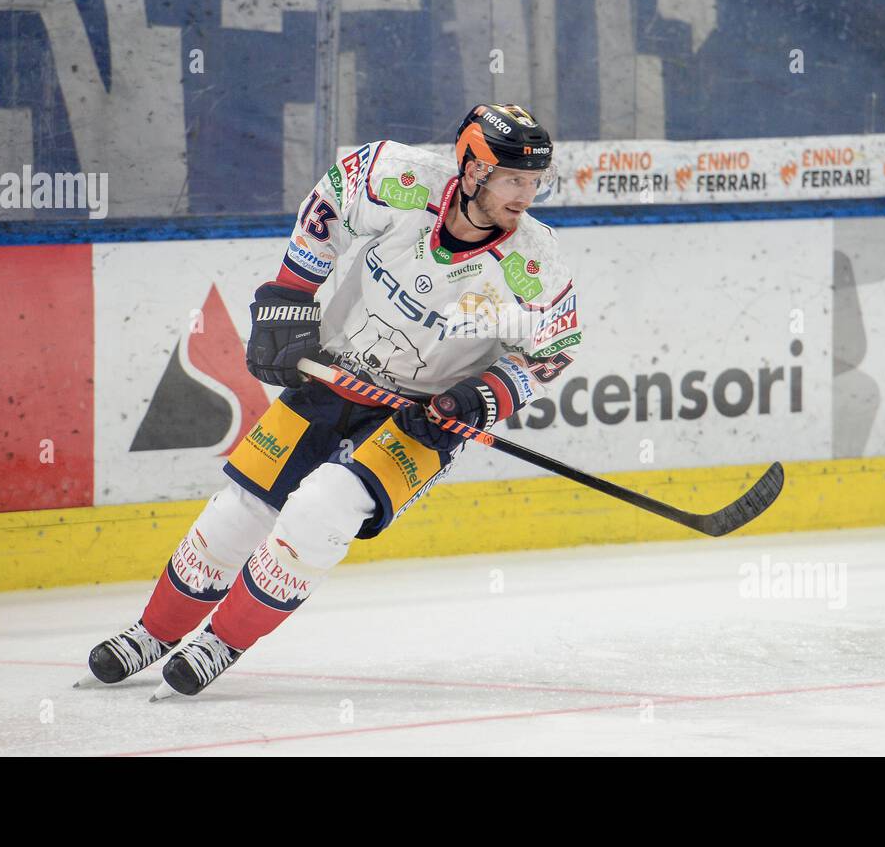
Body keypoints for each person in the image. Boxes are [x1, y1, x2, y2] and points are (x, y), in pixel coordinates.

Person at [80, 104, 583, 698]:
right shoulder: (397, 178)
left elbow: (554, 351)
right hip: (329, 380)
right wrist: (291, 294)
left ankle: (223, 641)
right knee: (237, 512)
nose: (525, 194)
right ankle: (151, 632)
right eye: (512, 179)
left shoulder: (533, 264)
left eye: (534, 181)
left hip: (419, 422)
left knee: (322, 510)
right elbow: (331, 202)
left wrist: (480, 398)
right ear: (472, 171)